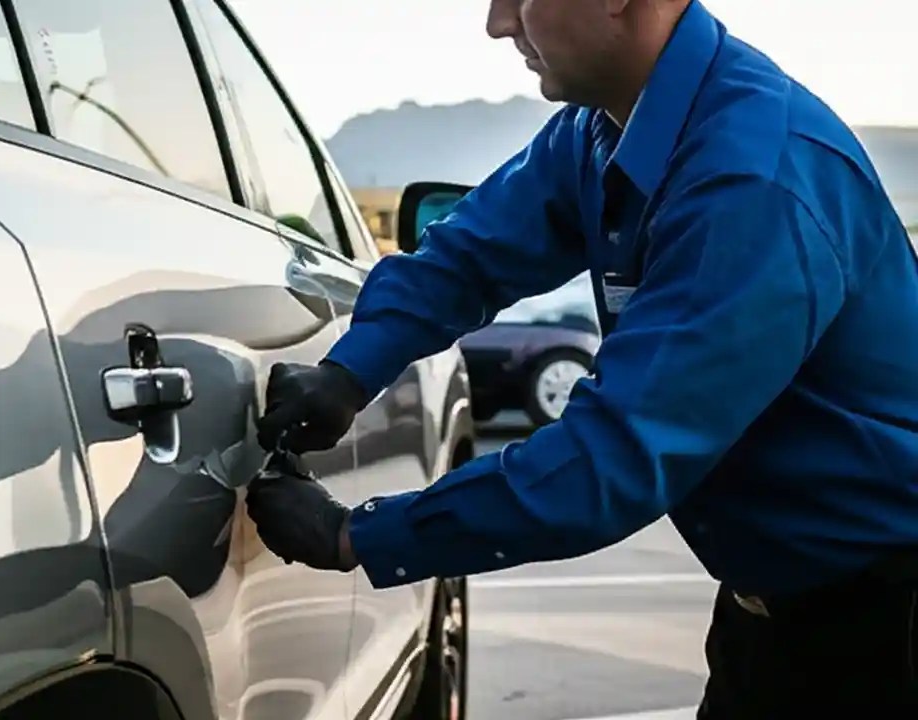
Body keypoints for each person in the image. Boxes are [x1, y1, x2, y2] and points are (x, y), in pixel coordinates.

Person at [244, 0, 918, 716]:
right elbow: (470, 256)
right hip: (773, 614)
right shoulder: (605, 131)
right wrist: (346, 374)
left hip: (883, 630)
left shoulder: (752, 181)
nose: (499, 24)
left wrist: (354, 535)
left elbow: (614, 461)